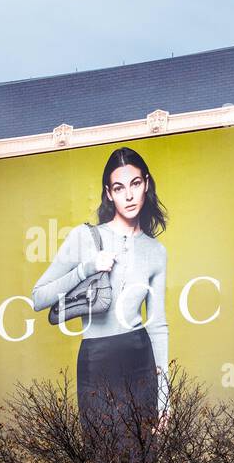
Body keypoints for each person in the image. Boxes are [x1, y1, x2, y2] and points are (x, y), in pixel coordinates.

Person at [31, 146, 170, 444]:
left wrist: (165, 400)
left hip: (139, 355)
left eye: (135, 184)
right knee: (101, 458)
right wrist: (87, 268)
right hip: (96, 357)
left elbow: (158, 325)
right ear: (109, 193)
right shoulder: (85, 237)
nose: (129, 195)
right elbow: (38, 298)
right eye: (119, 188)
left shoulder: (157, 251)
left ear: (146, 183)